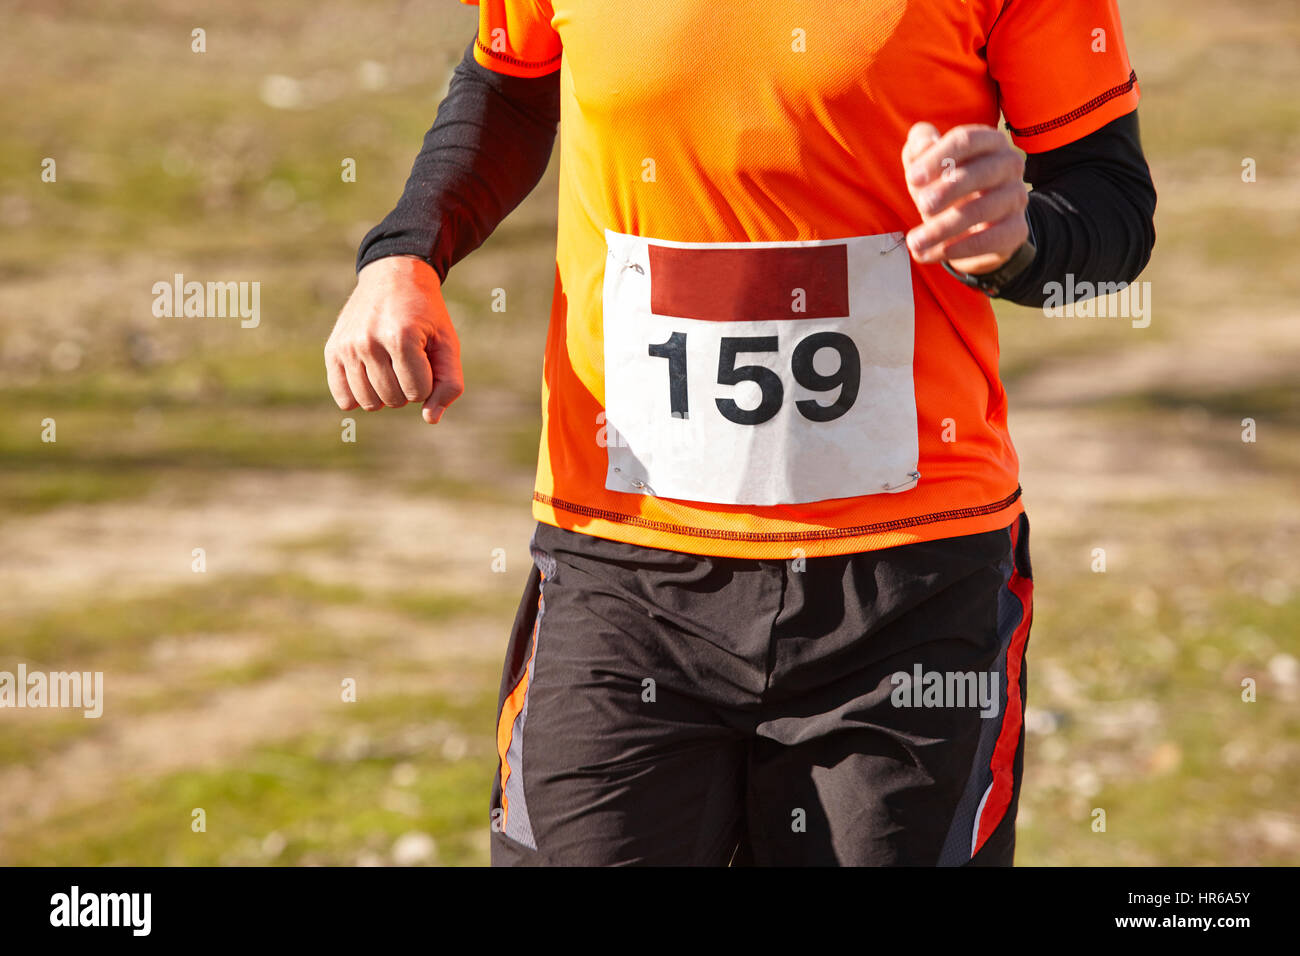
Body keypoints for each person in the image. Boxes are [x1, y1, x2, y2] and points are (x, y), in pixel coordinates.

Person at [325, 0, 1156, 865]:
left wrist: (1018, 238)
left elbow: (1111, 205)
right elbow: (511, 87)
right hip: (623, 567)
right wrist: (407, 253)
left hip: (909, 581)